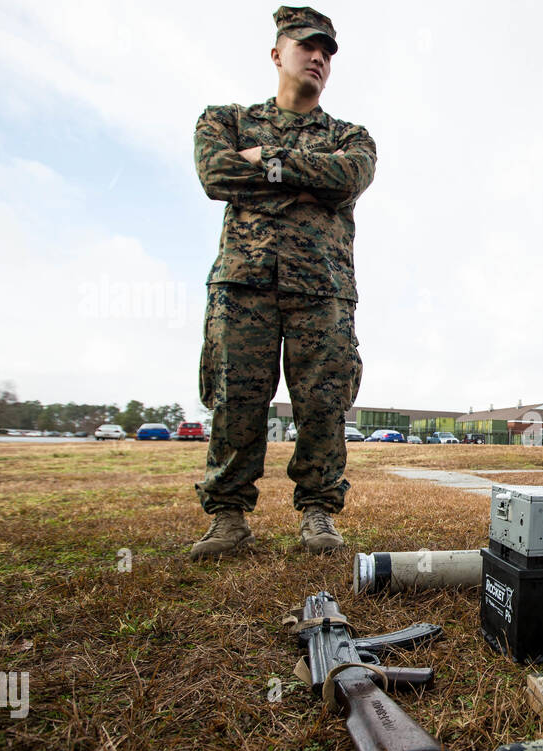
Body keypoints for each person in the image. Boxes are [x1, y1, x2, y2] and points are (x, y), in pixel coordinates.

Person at [189, 6, 376, 560]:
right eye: (306, 46)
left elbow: (348, 177)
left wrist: (266, 162)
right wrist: (302, 180)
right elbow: (216, 173)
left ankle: (318, 513)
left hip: (322, 289)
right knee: (235, 398)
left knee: (323, 403)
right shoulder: (225, 121)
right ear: (277, 53)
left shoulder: (351, 135)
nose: (318, 57)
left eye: (327, 51)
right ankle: (228, 518)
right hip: (242, 285)